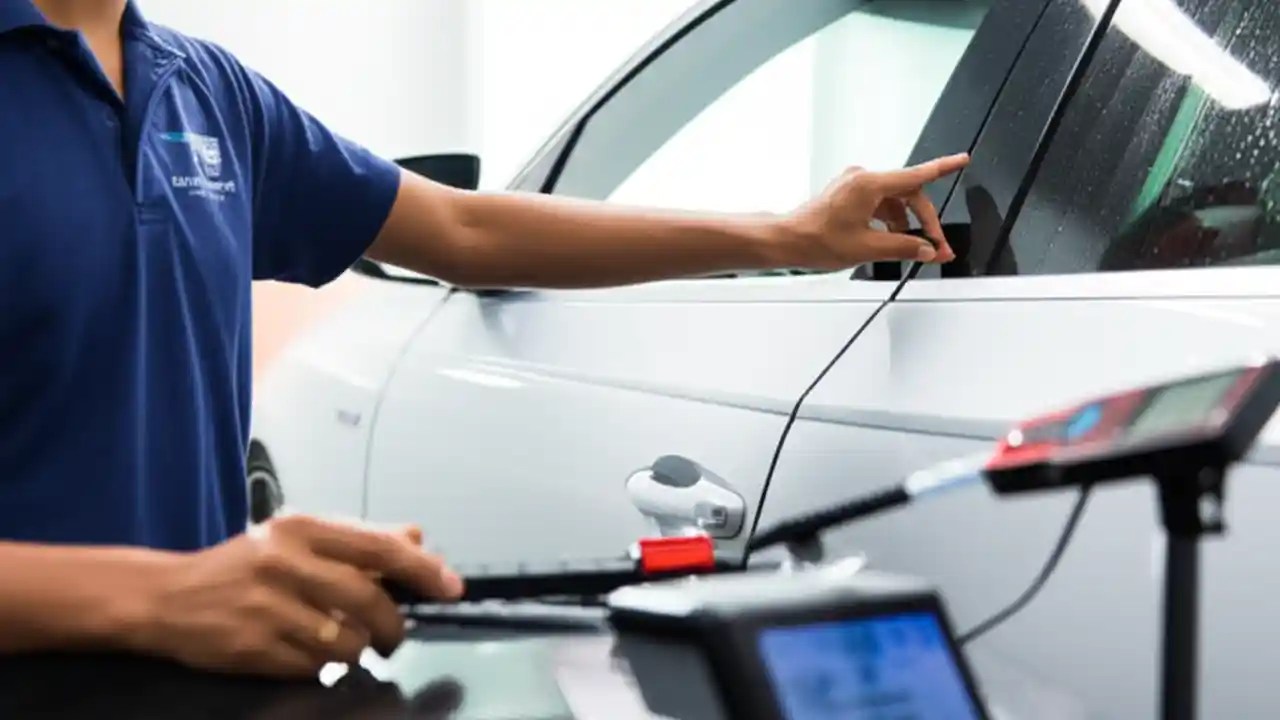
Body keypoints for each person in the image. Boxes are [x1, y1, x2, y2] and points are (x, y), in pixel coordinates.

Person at [0, 0, 967, 678]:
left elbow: (460, 232)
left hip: (187, 688)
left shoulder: (205, 92)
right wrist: (164, 597)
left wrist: (786, 236)